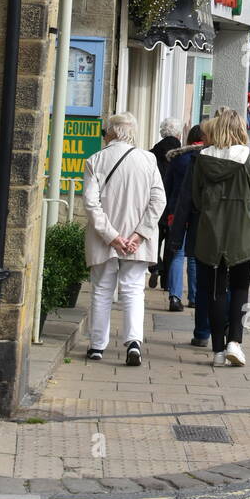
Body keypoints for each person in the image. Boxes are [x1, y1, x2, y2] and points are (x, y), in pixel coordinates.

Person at [82, 113, 166, 366]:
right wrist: (138, 235)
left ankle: (97, 346)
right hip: (136, 241)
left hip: (103, 238)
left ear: (112, 133)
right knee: (132, 290)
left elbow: (90, 204)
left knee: (101, 290)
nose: (103, 135)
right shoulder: (148, 160)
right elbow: (158, 201)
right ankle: (133, 344)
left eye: (104, 131)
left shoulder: (95, 160)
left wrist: (113, 237)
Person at [191, 107, 250, 368]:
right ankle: (235, 341)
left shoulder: (202, 158)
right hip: (242, 236)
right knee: (239, 290)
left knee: (215, 292)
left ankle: (218, 351)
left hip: (210, 236)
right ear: (240, 129)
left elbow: (197, 199)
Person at [165, 123, 206, 325]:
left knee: (177, 253)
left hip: (177, 212)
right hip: (198, 213)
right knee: (194, 256)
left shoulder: (178, 158)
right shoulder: (207, 157)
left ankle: (174, 296)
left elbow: (168, 186)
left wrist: (170, 212)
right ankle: (194, 297)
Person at [148, 117, 181, 291]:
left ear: (162, 132)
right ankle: (167, 282)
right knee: (171, 246)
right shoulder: (183, 155)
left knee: (153, 240)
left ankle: (155, 267)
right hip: (174, 207)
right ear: (178, 133)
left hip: (154, 204)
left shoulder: (151, 154)